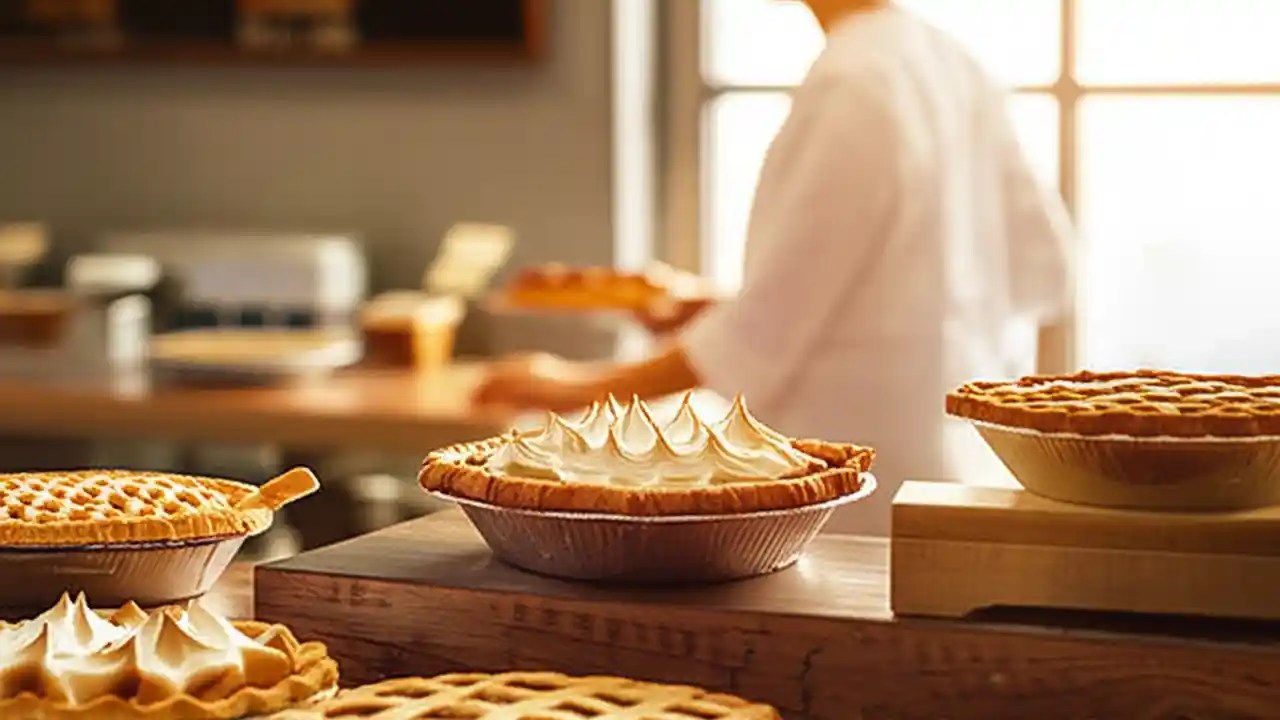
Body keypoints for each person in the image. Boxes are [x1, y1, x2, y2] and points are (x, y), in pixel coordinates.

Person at [474, 0, 1071, 536]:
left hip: (849, 491)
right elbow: (1038, 271)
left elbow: (765, 331)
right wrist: (710, 306)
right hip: (955, 470)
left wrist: (568, 388)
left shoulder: (853, 82)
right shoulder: (950, 62)